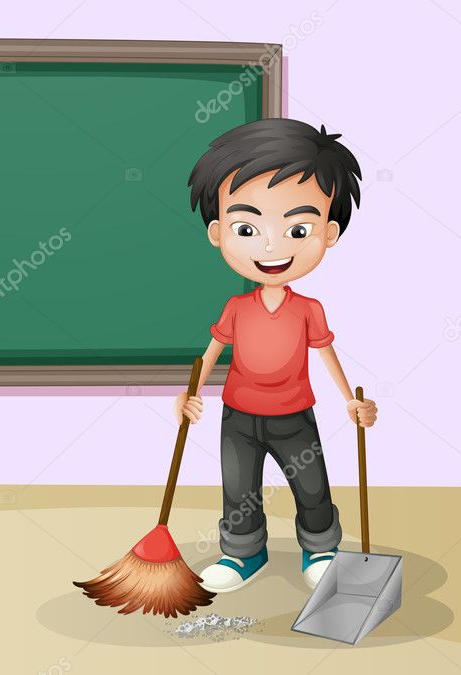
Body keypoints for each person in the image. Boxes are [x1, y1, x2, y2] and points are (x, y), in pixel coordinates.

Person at [180, 118, 378, 592]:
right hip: (238, 416)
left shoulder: (308, 309)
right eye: (246, 227)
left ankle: (321, 547)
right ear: (217, 232)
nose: (270, 245)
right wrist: (188, 396)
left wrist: (350, 400)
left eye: (298, 228)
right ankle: (243, 554)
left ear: (328, 233)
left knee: (311, 486)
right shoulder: (236, 307)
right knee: (239, 488)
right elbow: (210, 355)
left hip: (294, 415)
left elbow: (326, 353)